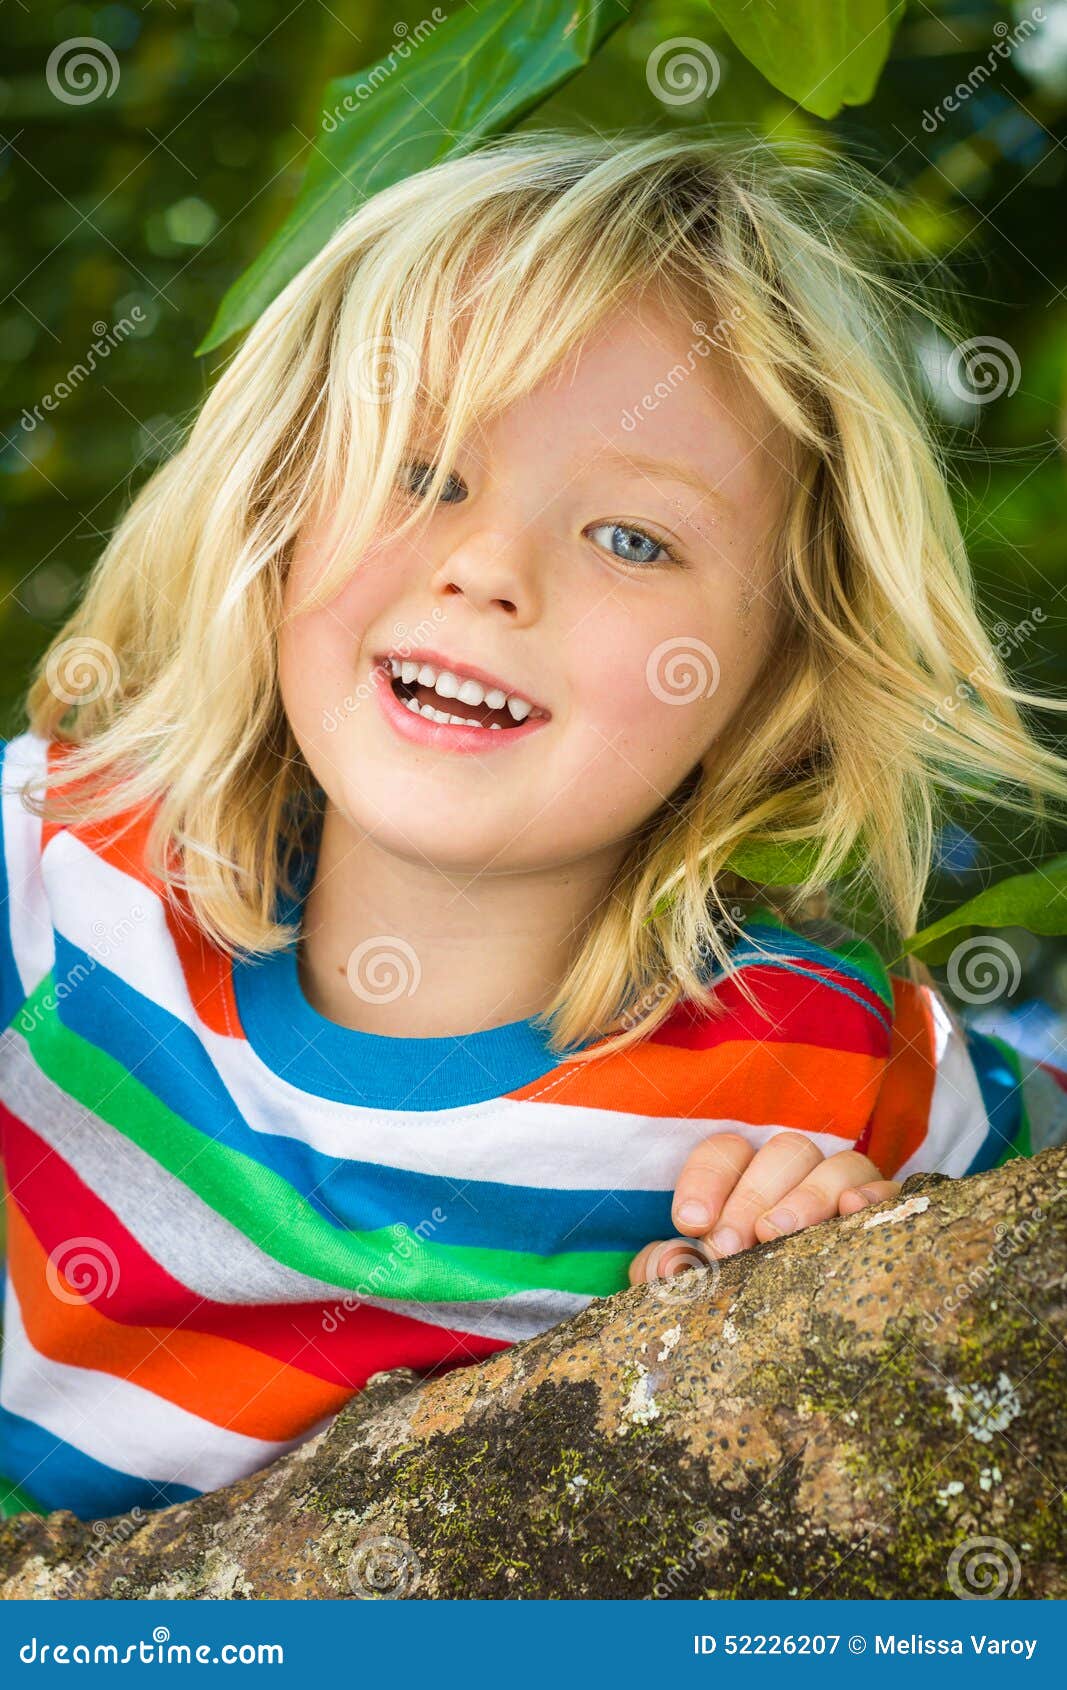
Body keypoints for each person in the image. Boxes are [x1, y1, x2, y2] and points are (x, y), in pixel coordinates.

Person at [1, 129, 1064, 1523]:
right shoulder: (60, 868)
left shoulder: (828, 1069)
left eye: (632, 539)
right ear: (275, 500)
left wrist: (868, 1248)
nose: (488, 570)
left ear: (780, 677)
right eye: (422, 471)